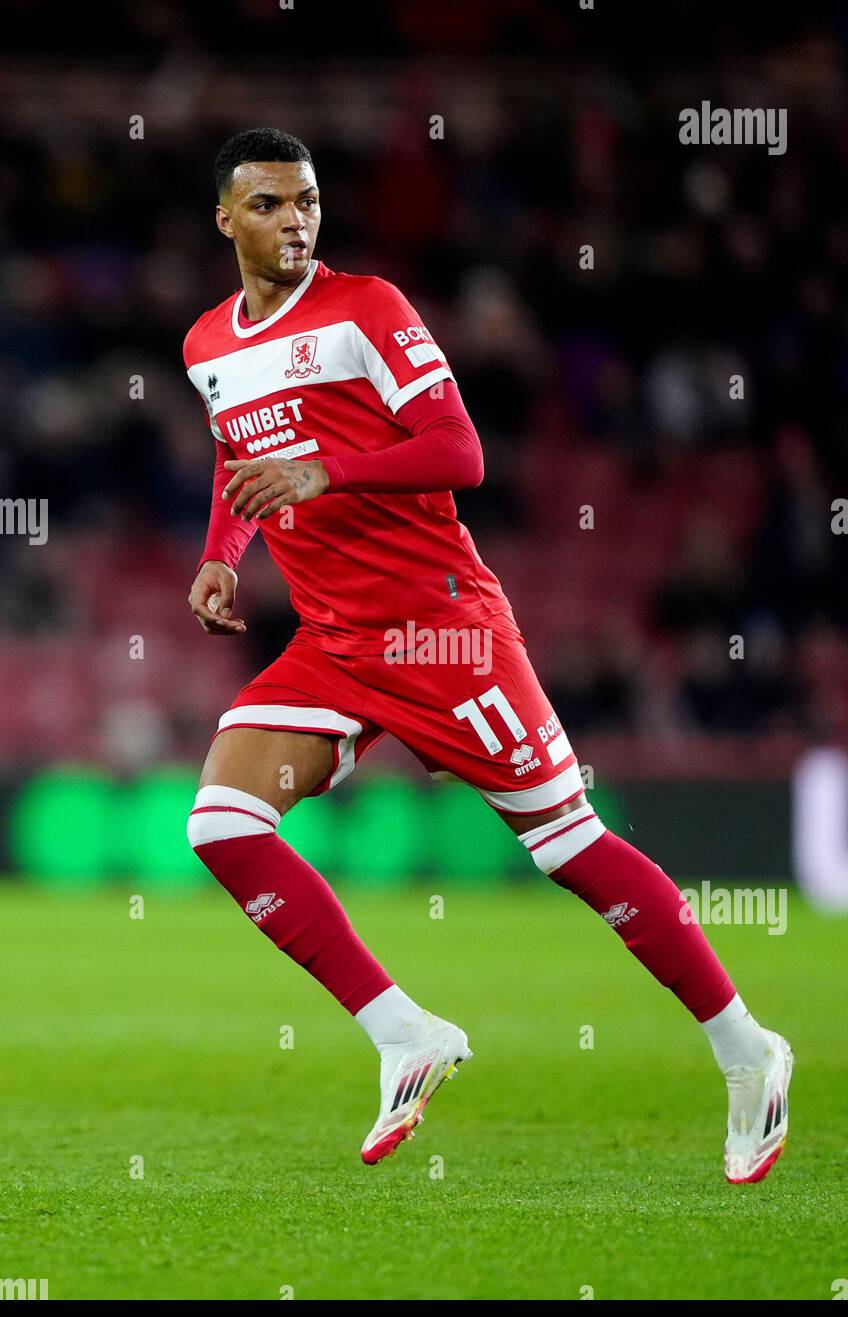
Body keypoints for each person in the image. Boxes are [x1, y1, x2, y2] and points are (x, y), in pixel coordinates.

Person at [184, 128, 792, 1179]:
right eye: (273, 205)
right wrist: (222, 558)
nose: (297, 222)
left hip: (442, 630)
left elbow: (461, 451)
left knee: (569, 849)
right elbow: (241, 460)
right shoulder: (205, 344)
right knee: (222, 824)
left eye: (310, 202)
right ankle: (404, 1032)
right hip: (333, 642)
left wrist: (326, 473)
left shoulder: (369, 309)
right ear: (227, 219)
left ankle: (748, 1050)